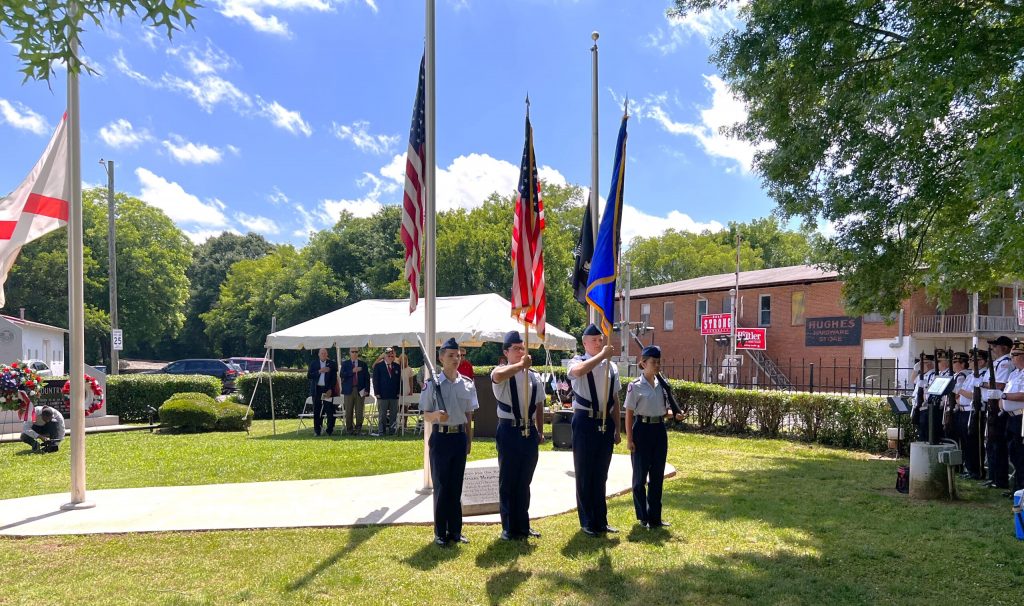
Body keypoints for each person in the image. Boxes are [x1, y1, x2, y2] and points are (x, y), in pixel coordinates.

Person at [420, 337, 478, 546]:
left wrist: (469, 439)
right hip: (441, 438)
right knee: (441, 485)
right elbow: (425, 414)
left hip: (459, 437)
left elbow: (469, 414)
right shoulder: (432, 384)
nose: (456, 359)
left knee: (456, 485)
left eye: (458, 355)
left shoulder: (467, 384)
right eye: (451, 355)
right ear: (441, 358)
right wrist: (436, 414)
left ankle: (455, 530)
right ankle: (440, 532)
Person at [567, 323, 621, 537]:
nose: (599, 343)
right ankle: (587, 520)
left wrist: (617, 428)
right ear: (584, 343)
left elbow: (615, 399)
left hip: (605, 421)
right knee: (584, 472)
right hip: (585, 421)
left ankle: (601, 519)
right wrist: (601, 356)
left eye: (600, 339)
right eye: (594, 340)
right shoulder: (577, 361)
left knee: (601, 473)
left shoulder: (611, 367)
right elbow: (578, 372)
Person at [491, 330, 545, 541]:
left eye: (522, 348)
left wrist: (540, 430)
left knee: (524, 480)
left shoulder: (533, 376)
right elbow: (497, 377)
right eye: (516, 349)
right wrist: (520, 365)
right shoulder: (501, 371)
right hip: (509, 430)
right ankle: (508, 526)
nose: (521, 351)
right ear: (506, 352)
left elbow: (539, 404)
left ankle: (523, 524)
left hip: (528, 430)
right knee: (508, 479)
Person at [624, 345, 672, 529]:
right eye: (653, 362)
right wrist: (629, 439)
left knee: (657, 476)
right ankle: (643, 516)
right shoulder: (635, 386)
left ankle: (655, 518)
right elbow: (629, 413)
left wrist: (673, 414)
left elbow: (664, 409)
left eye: (659, 362)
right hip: (642, 430)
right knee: (639, 479)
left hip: (658, 429)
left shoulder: (662, 384)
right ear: (643, 364)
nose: (657, 365)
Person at [986, 336, 1013, 489]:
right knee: (992, 443)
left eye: (996, 346)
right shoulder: (997, 362)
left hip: (999, 407)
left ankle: (1000, 479)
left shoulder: (1005, 363)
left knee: (998, 444)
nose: (994, 349)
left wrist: (981, 383)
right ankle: (993, 477)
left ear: (1004, 348)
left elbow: (1000, 384)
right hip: (991, 405)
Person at [999, 340, 1024, 497]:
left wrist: (1004, 397)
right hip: (1011, 417)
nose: (1012, 358)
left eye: (1015, 355)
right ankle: (1016, 487)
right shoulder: (1014, 374)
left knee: (1021, 454)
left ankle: (1021, 488)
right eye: (1012, 355)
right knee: (1013, 453)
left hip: (1022, 417)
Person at [951, 352, 980, 479]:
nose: (953, 364)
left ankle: (974, 470)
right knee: (964, 442)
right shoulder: (969, 376)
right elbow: (958, 396)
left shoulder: (964, 375)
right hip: (962, 410)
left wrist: (959, 391)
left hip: (969, 410)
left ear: (962, 364)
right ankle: (968, 468)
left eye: (955, 362)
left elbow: (971, 395)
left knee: (970, 442)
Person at [306, 348, 339, 437]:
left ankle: (329, 430)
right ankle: (317, 430)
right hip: (317, 390)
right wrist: (320, 371)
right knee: (317, 411)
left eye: (325, 353)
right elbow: (309, 376)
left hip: (327, 390)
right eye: (322, 353)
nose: (323, 355)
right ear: (319, 354)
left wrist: (330, 389)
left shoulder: (332, 364)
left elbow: (334, 379)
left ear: (327, 354)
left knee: (330, 410)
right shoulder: (314, 363)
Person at [372, 347, 402, 436]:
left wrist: (398, 392)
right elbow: (375, 381)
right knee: (382, 414)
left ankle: (392, 431)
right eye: (388, 355)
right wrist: (377, 393)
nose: (390, 357)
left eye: (392, 356)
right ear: (384, 356)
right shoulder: (378, 366)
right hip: (382, 394)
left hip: (394, 395)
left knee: (393, 414)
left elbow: (399, 381)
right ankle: (382, 431)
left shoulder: (397, 366)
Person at [341, 347, 370, 435]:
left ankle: (358, 429)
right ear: (349, 353)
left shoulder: (363, 364)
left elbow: (367, 378)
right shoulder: (345, 364)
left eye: (356, 352)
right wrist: (352, 371)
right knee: (348, 411)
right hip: (348, 390)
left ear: (358, 353)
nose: (354, 353)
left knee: (359, 411)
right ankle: (349, 429)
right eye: (352, 352)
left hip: (360, 390)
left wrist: (367, 390)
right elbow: (342, 375)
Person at [913, 353, 936, 441]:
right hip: (919, 406)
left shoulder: (932, 374)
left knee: (925, 434)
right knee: (920, 432)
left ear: (930, 364)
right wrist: (915, 369)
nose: (921, 366)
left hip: (926, 407)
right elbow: (913, 380)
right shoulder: (923, 375)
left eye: (923, 363)